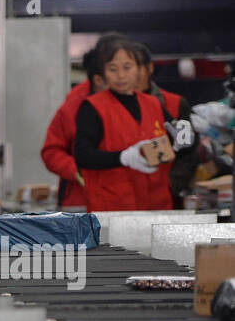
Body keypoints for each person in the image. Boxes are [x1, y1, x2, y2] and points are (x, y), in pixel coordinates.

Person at [73, 36, 194, 212]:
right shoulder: (92, 107)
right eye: (112, 69)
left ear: (140, 69)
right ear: (104, 73)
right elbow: (83, 155)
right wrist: (123, 157)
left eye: (127, 67)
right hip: (112, 209)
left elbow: (178, 138)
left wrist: (184, 136)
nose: (121, 75)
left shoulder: (152, 103)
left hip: (156, 206)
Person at [41, 35, 117, 209]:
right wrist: (77, 170)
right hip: (81, 199)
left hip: (127, 201)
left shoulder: (141, 101)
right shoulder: (73, 106)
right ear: (98, 77)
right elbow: (51, 151)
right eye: (114, 69)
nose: (122, 76)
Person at [131, 41, 199, 204]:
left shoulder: (175, 103)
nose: (132, 74)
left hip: (163, 198)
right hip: (123, 195)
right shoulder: (109, 107)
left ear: (150, 68)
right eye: (127, 68)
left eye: (138, 67)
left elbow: (189, 153)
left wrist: (170, 186)